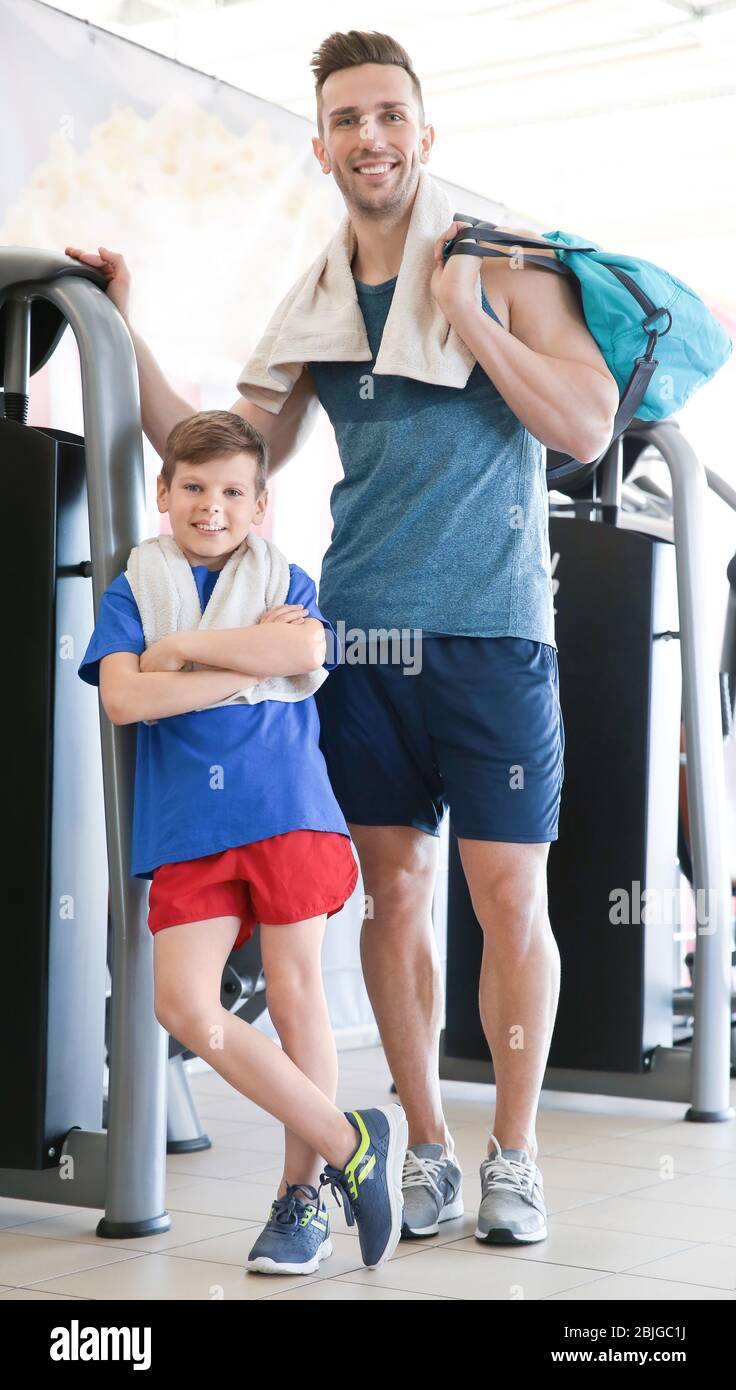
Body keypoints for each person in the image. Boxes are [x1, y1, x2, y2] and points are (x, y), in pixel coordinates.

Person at [66, 28, 619, 1248]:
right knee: (395, 892)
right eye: (347, 120)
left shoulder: (511, 270)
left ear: (425, 134)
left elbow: (584, 425)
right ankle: (421, 1144)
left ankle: (512, 1155)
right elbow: (212, 451)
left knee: (506, 892)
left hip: (492, 633)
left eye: (389, 115)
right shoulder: (319, 300)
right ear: (321, 147)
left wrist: (465, 315)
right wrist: (122, 326)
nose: (370, 137)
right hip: (362, 640)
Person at [76, 407, 408, 1275]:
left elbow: (304, 652)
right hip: (187, 829)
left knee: (298, 995)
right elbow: (124, 701)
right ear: (164, 491)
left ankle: (298, 1202)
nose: (210, 506)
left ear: (260, 506)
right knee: (183, 1006)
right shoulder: (132, 585)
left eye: (231, 491)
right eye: (193, 487)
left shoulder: (283, 575)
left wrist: (181, 650)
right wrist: (251, 667)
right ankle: (351, 1141)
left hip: (286, 808)